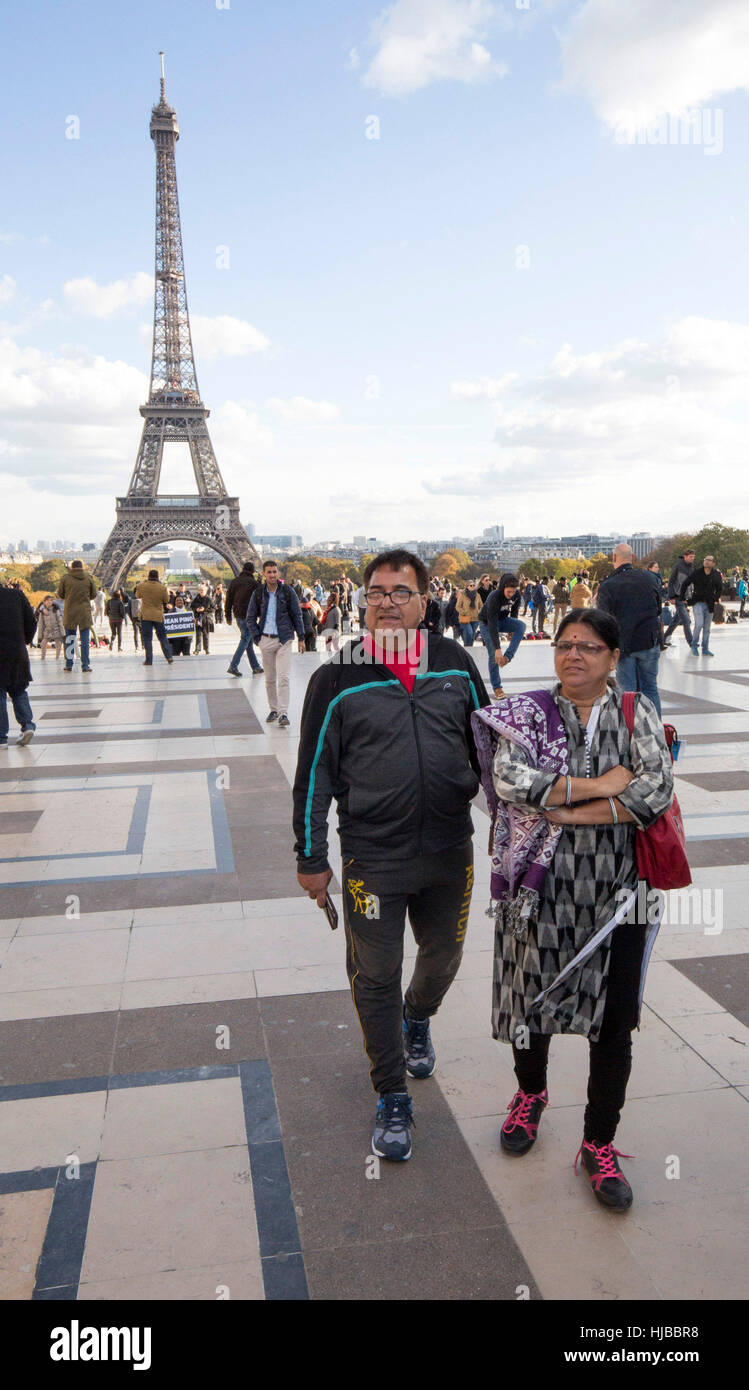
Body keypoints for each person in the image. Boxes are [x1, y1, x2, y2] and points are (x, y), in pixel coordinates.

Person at [293, 548, 491, 1162]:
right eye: (376, 592)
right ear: (363, 601)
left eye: (400, 592)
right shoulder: (337, 674)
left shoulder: (456, 663)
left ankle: (418, 1016)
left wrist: (518, 825)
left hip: (448, 848)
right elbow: (313, 774)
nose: (386, 602)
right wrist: (310, 856)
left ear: (425, 600)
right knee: (374, 974)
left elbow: (490, 749)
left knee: (444, 957)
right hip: (372, 857)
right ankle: (391, 1094)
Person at [472, 607, 673, 1210]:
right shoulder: (526, 714)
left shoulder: (636, 713)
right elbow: (511, 781)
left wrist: (569, 811)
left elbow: (656, 791)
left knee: (614, 1024)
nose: (573, 655)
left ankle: (598, 1142)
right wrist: (606, 786)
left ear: (614, 658)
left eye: (588, 646)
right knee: (530, 1000)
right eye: (564, 645)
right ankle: (530, 1095)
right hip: (537, 887)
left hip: (618, 892)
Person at [596, 543, 663, 717]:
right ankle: (655, 730)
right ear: (632, 558)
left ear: (614, 558)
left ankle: (631, 733)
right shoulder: (650, 578)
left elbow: (603, 621)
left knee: (628, 693)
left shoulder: (608, 586)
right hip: (649, 641)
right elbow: (658, 609)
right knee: (650, 688)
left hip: (624, 645)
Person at [247, 560, 305, 729]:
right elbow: (250, 617)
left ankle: (283, 712)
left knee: (284, 677)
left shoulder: (288, 592)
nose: (272, 575)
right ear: (263, 574)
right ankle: (274, 709)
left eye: (274, 571)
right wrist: (257, 638)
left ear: (278, 573)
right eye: (269, 572)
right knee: (270, 679)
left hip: (284, 639)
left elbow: (297, 614)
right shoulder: (258, 593)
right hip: (266, 639)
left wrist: (301, 637)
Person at [0, 580, 37, 746]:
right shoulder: (17, 595)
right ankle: (27, 724)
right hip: (16, 650)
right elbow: (32, 622)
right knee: (19, 689)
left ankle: (1, 736)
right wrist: (25, 640)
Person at [478, 572, 526, 699]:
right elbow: (492, 624)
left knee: (521, 625)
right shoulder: (494, 597)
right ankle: (497, 687)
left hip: (503, 621)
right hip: (487, 623)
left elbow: (514, 613)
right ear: (503, 587)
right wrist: (498, 649)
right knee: (493, 653)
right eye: (508, 591)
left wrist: (512, 631)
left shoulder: (516, 595)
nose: (511, 594)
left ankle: (507, 658)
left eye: (513, 591)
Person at [57, 559, 98, 674]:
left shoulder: (66, 578)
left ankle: (69, 664)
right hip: (84, 612)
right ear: (82, 567)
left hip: (70, 611)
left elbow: (60, 594)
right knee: (85, 640)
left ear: (71, 567)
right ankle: (85, 665)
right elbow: (93, 594)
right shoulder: (89, 578)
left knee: (70, 639)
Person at [225, 562, 263, 677]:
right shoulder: (253, 583)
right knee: (245, 639)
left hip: (238, 615)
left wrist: (228, 616)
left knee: (248, 641)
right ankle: (233, 665)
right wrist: (259, 581)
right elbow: (261, 594)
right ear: (252, 571)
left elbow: (228, 600)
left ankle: (255, 667)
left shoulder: (235, 582)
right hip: (249, 616)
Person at [685, 554, 723, 656]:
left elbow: (719, 588)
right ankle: (694, 645)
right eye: (705, 559)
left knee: (707, 628)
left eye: (709, 560)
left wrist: (715, 598)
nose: (706, 561)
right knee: (699, 624)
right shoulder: (697, 573)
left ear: (713, 563)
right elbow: (686, 583)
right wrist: (682, 598)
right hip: (698, 603)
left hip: (709, 604)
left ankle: (705, 648)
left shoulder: (716, 574)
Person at [135, 570, 174, 667]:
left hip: (146, 615)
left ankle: (149, 660)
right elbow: (166, 600)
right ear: (158, 577)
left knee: (147, 639)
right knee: (162, 637)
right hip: (158, 616)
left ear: (148, 576)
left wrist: (142, 583)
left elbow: (137, 595)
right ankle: (169, 656)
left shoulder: (142, 586)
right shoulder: (162, 588)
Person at [662, 549, 695, 648]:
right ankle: (692, 643)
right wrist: (671, 596)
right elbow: (671, 581)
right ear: (685, 556)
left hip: (685, 597)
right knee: (686, 620)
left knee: (676, 620)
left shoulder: (692, 567)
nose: (692, 559)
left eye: (693, 557)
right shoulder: (678, 566)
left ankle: (664, 638)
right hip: (677, 596)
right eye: (690, 557)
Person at [37, 594, 65, 660]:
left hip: (56, 630)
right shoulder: (42, 612)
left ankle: (57, 657)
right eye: (47, 600)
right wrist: (39, 636)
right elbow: (41, 624)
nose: (49, 602)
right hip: (47, 630)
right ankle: (42, 657)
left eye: (51, 600)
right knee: (43, 644)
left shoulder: (55, 610)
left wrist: (62, 632)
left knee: (58, 643)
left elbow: (60, 621)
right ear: (44, 602)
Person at [456, 579, 481, 645]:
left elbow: (481, 606)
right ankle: (467, 648)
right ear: (467, 586)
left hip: (475, 619)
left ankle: (469, 649)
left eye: (474, 585)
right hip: (465, 618)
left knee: (472, 637)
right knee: (469, 633)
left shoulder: (478, 595)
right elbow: (457, 607)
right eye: (471, 585)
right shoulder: (462, 595)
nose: (472, 586)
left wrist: (479, 612)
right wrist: (464, 612)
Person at [191, 584, 214, 655]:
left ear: (206, 591)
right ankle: (197, 649)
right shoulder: (197, 598)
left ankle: (206, 649)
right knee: (198, 635)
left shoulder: (209, 599)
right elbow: (192, 606)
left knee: (206, 634)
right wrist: (196, 609)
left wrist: (205, 609)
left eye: (202, 590)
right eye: (200, 590)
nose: (201, 592)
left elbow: (213, 609)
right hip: (198, 619)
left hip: (206, 619)